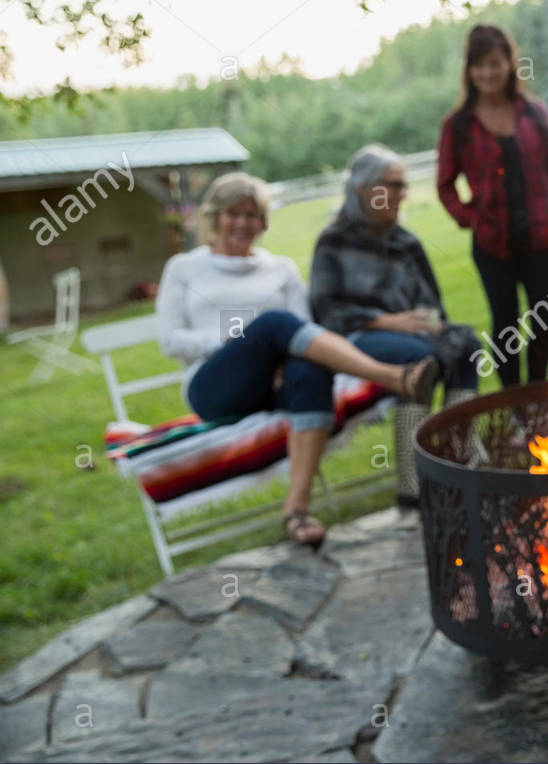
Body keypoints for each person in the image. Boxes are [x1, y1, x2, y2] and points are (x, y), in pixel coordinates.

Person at [157, 172, 438, 544]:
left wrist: (275, 359)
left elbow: (305, 331)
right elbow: (170, 340)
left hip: (274, 385)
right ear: (215, 217)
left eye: (252, 215)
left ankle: (297, 512)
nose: (243, 223)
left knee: (308, 368)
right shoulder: (184, 268)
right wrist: (238, 340)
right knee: (272, 323)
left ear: (263, 222)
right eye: (233, 214)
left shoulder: (280, 269)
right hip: (215, 387)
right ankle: (394, 377)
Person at [310, 144, 480, 508]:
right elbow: (327, 313)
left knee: (467, 345)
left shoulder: (406, 241)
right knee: (418, 359)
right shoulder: (333, 241)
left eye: (403, 186)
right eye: (392, 185)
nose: (402, 194)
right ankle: (413, 486)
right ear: (362, 190)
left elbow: (433, 302)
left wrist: (431, 322)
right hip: (357, 339)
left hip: (414, 333)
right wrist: (387, 321)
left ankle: (459, 460)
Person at [438, 24, 548, 387]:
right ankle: (513, 399)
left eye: (494, 63)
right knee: (506, 323)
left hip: (539, 236)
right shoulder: (458, 125)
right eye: (479, 65)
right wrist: (470, 219)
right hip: (492, 243)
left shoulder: (534, 113)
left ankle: (537, 391)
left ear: (509, 64)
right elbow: (445, 184)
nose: (488, 73)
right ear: (469, 70)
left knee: (546, 317)